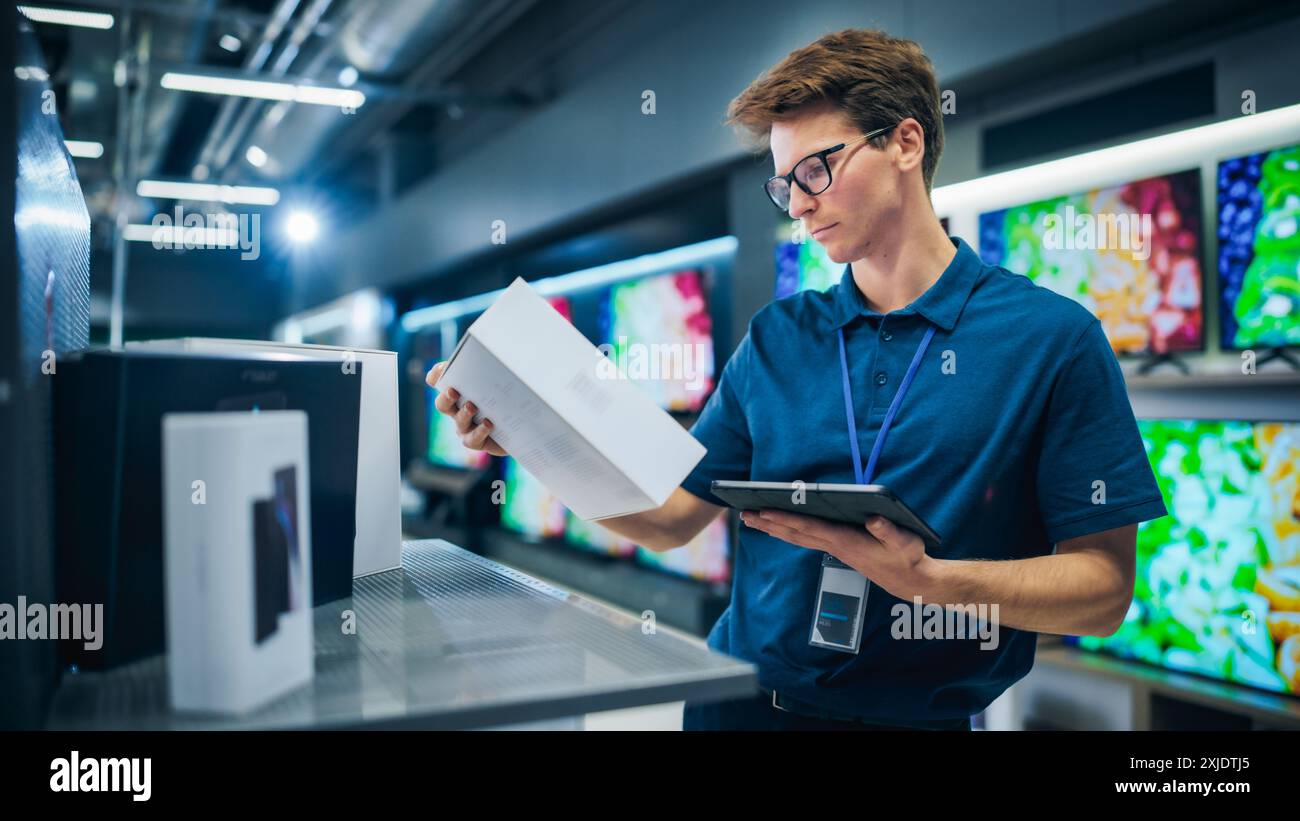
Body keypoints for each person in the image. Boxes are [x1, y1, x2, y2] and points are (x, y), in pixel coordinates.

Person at [426, 27, 1167, 731]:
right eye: (785, 184)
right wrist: (525, 434)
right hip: (736, 706)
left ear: (906, 141)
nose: (800, 202)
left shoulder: (1052, 339)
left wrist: (933, 583)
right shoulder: (778, 337)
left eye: (817, 168)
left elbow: (1102, 589)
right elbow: (667, 517)